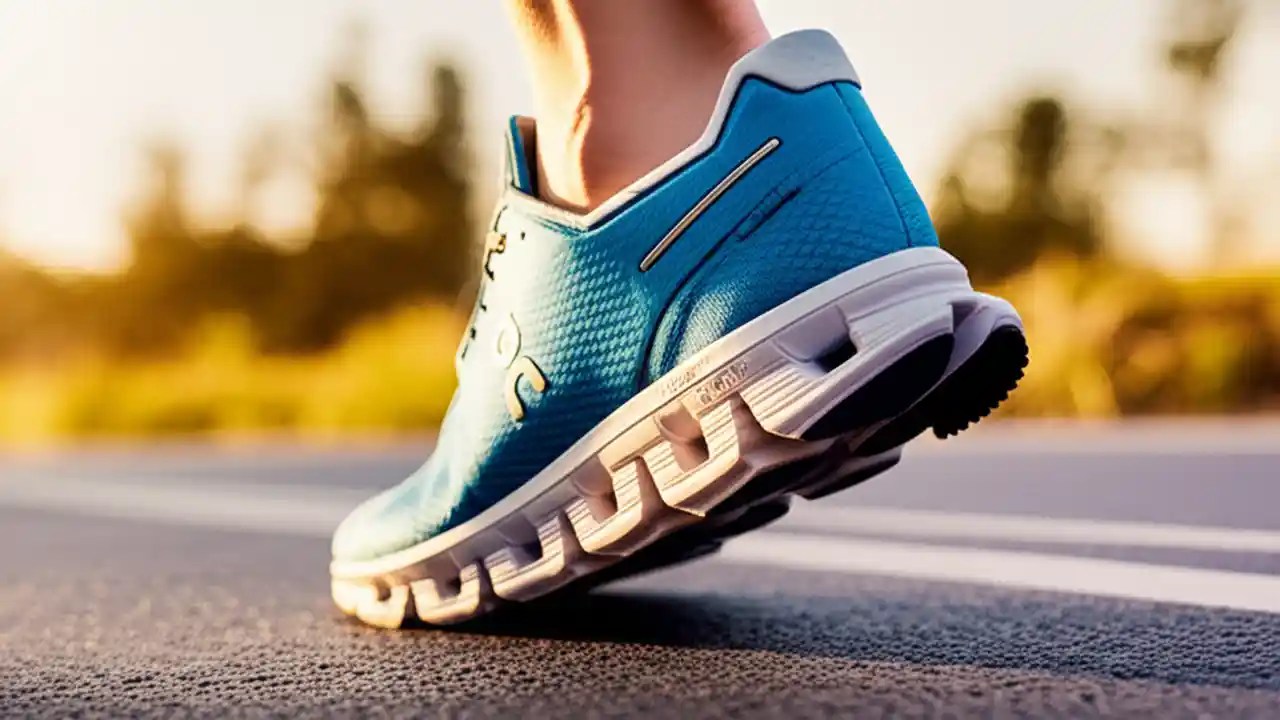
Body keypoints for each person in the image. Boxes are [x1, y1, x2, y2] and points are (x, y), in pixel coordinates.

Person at [330, 0, 1028, 628]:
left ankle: (620, 165)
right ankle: (760, 143)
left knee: (595, 90)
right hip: (805, 174)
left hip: (686, 227)